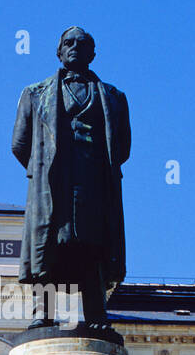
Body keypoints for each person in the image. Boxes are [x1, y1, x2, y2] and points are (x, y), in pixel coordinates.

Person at [11, 28, 130, 332]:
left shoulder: (115, 98)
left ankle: (95, 315)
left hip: (94, 185)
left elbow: (122, 147)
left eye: (83, 44)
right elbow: (19, 143)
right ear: (59, 51)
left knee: (92, 247)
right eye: (68, 43)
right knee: (49, 247)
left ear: (93, 54)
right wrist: (43, 169)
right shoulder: (34, 93)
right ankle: (44, 313)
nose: (75, 48)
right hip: (51, 186)